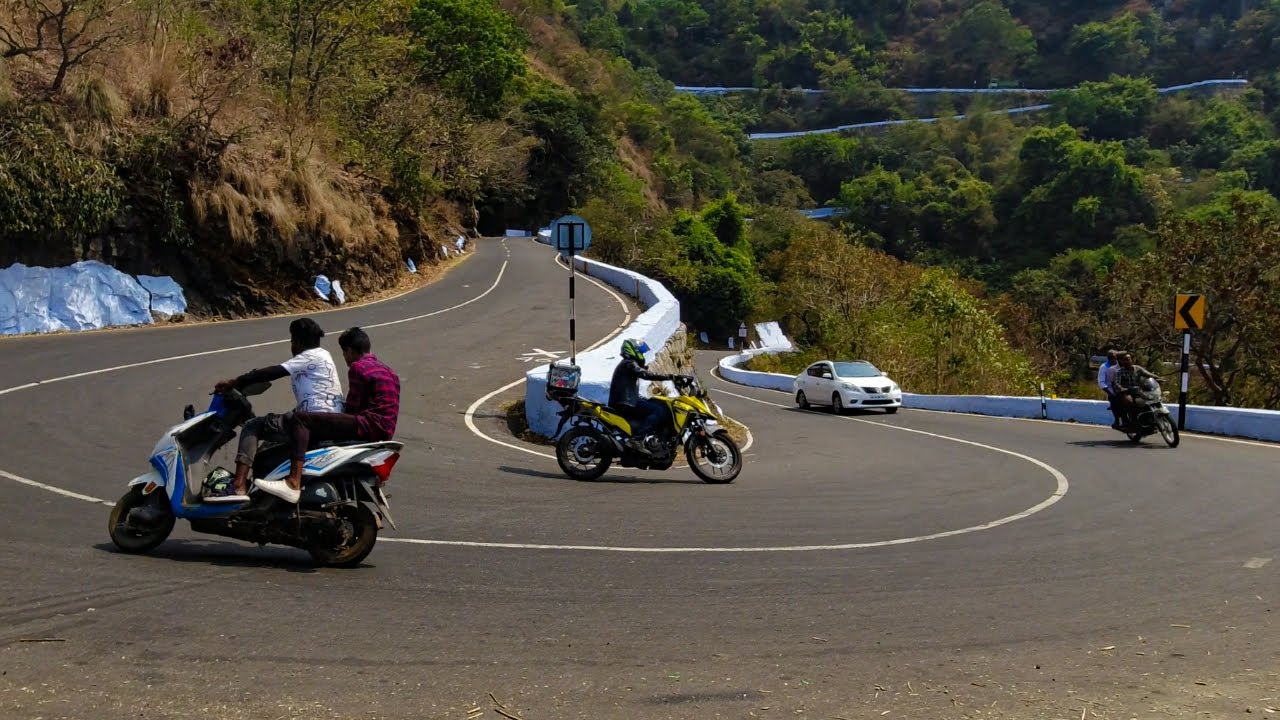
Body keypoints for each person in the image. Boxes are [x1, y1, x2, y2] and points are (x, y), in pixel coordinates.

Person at [254, 326, 401, 504]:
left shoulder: (358, 368)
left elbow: (353, 407)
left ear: (349, 350)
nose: (345, 359)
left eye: (344, 353)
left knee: (302, 419)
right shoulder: (388, 371)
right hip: (384, 429)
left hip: (368, 424)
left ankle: (293, 481)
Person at [208, 318, 344, 503]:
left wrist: (235, 381)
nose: (291, 345)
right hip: (328, 418)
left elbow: (273, 372)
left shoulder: (308, 357)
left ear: (298, 341)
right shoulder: (324, 355)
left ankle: (238, 485)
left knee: (252, 425)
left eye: (291, 340)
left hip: (313, 420)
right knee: (273, 431)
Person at [608, 338, 674, 454]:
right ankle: (637, 438)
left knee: (656, 403)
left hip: (627, 401)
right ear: (632, 350)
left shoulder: (627, 364)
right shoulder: (629, 363)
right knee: (658, 410)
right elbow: (643, 374)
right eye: (640, 352)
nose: (642, 354)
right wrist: (668, 376)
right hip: (625, 403)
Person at [1108, 352, 1158, 428]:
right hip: (1126, 392)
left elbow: (1148, 374)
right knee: (1129, 401)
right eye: (1124, 360)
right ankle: (1131, 421)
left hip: (1137, 391)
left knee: (1148, 399)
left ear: (1131, 360)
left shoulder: (1138, 368)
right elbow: (1117, 383)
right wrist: (1121, 388)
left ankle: (1149, 419)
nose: (1126, 362)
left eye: (1128, 359)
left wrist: (1158, 378)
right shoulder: (1120, 372)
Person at [1097, 349, 1121, 429]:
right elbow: (1101, 382)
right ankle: (1117, 420)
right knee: (1114, 399)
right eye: (1114, 358)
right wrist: (1110, 393)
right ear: (1110, 358)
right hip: (1110, 388)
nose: (1116, 359)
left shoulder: (1119, 364)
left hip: (1121, 386)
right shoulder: (1104, 367)